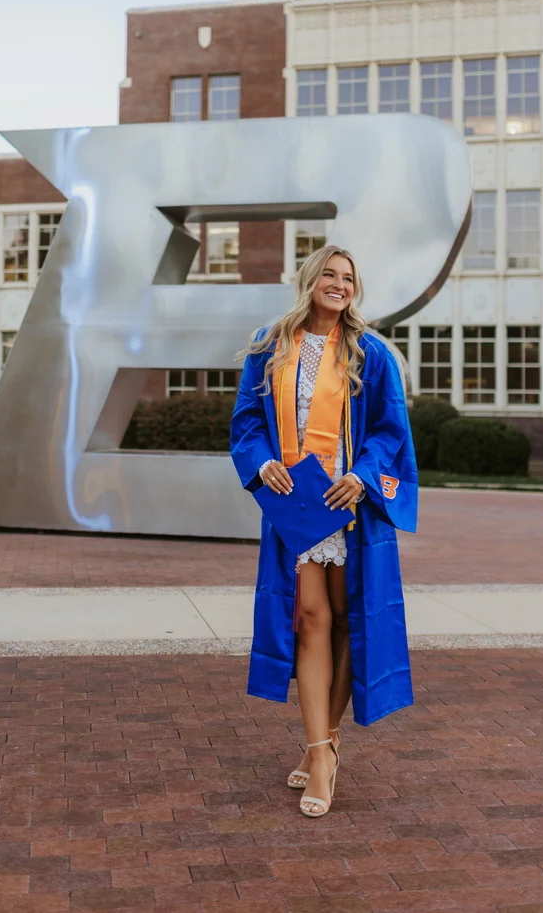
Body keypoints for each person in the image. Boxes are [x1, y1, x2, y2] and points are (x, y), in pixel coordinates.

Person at [230, 245, 418, 818]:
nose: (339, 285)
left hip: (350, 506)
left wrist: (363, 477)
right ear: (310, 280)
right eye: (330, 276)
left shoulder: (371, 353)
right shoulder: (271, 347)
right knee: (310, 618)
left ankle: (323, 750)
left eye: (348, 279)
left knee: (347, 624)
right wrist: (262, 463)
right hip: (297, 506)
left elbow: (389, 431)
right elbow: (246, 421)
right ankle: (320, 751)